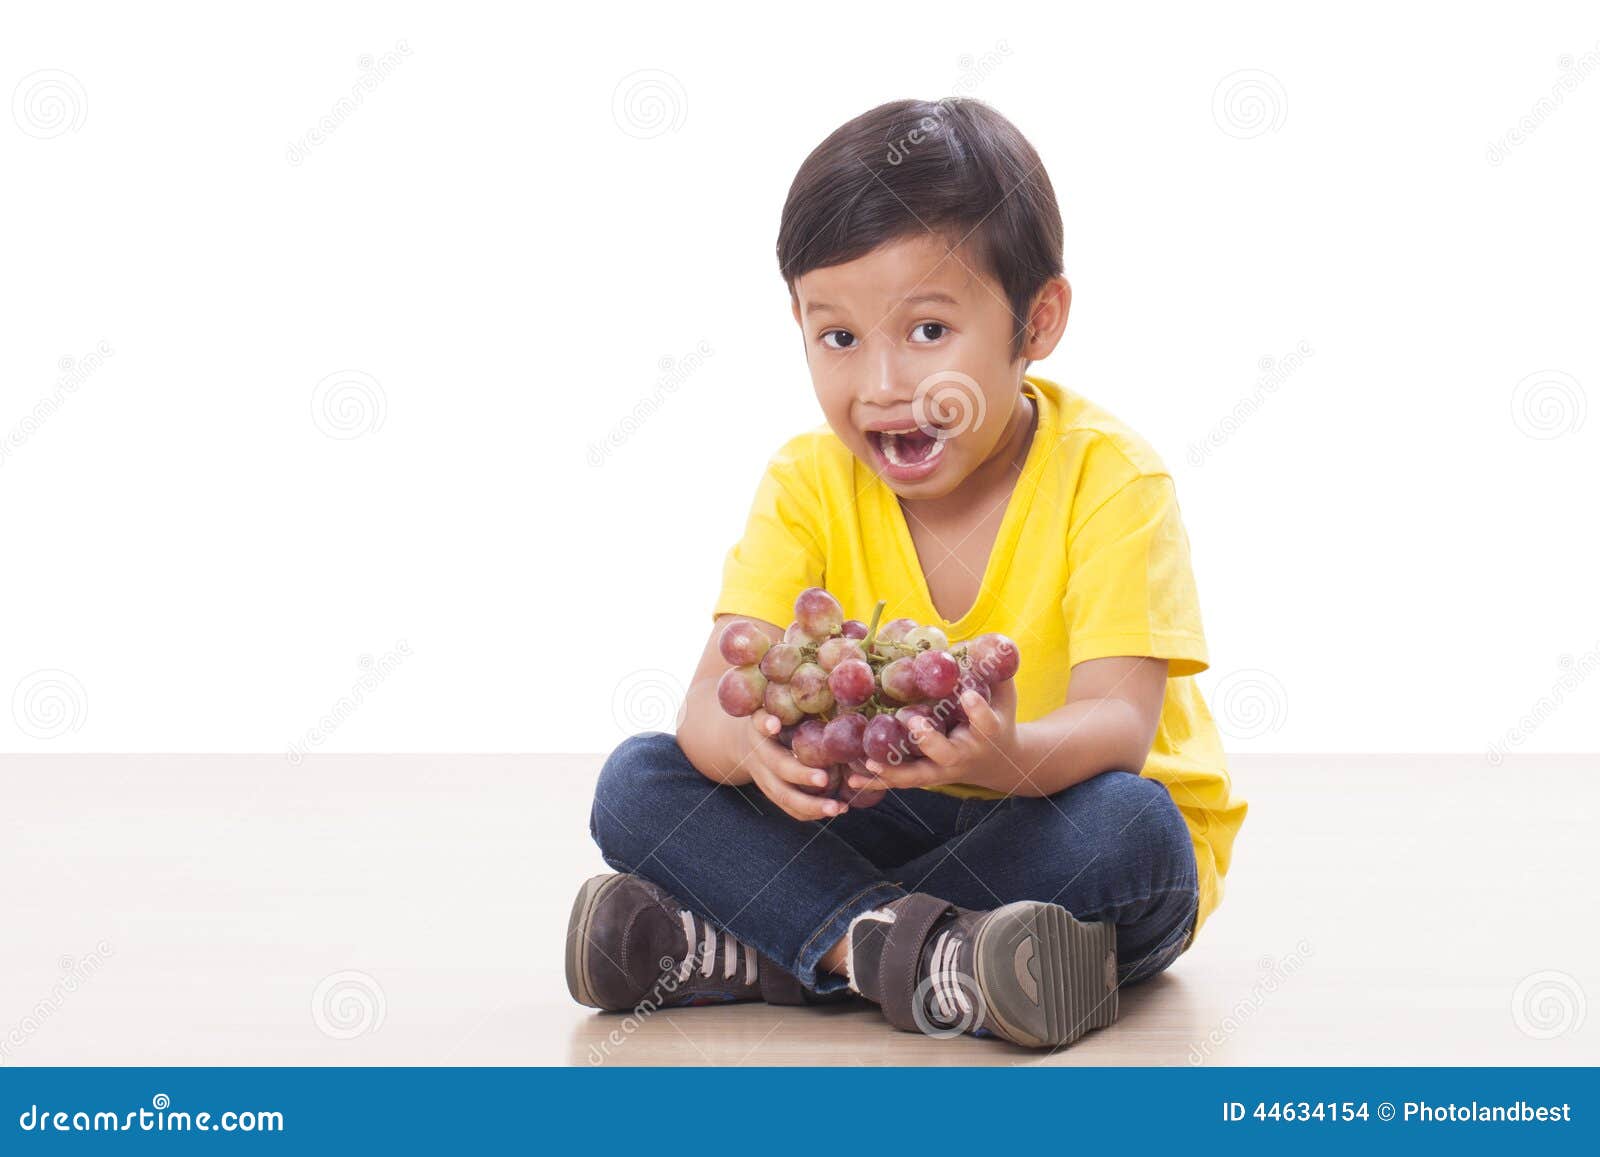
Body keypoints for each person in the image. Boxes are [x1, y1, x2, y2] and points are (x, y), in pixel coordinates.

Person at [566, 97, 1248, 1048]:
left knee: (1133, 831)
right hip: (882, 817)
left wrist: (1003, 756)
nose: (882, 384)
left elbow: (1120, 726)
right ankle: (920, 958)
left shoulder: (1110, 478)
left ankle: (782, 944)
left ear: (1037, 319)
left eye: (928, 331)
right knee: (638, 779)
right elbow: (707, 707)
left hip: (1049, 816)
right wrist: (752, 748)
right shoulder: (807, 481)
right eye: (839, 337)